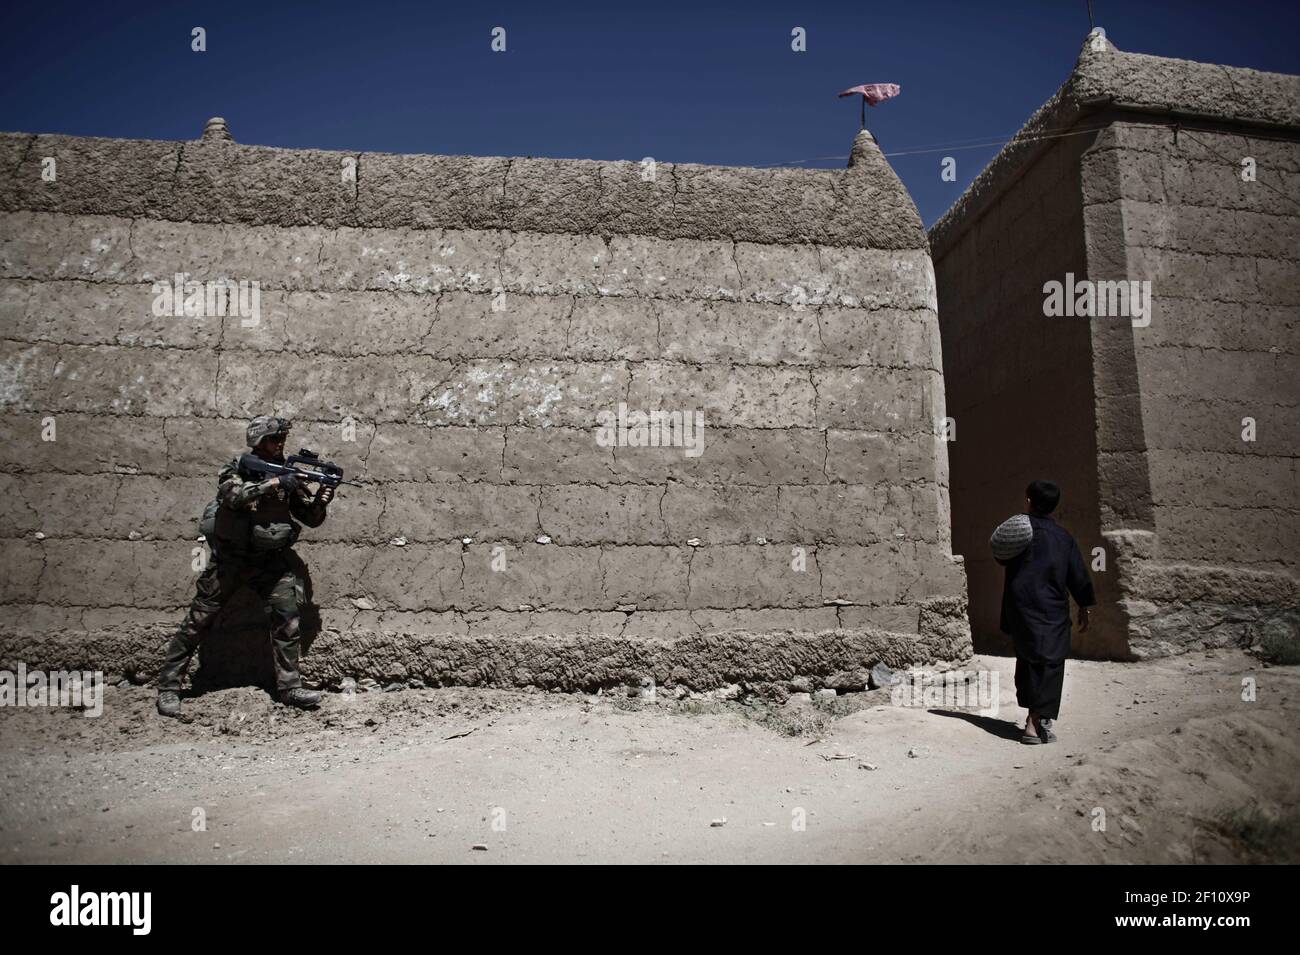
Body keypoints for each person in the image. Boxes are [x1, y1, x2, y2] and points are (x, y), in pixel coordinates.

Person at [157, 416, 335, 717]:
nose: (280, 444)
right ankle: (169, 688)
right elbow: (234, 497)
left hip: (269, 563)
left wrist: (321, 500)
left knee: (287, 618)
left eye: (282, 439)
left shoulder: (287, 475)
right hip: (231, 560)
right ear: (259, 442)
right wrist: (276, 483)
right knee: (199, 620)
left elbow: (310, 519)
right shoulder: (237, 469)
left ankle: (290, 687)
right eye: (274, 439)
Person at [994, 480, 1095, 745]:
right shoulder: (1064, 538)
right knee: (1050, 663)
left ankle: (1036, 716)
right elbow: (1077, 575)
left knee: (1028, 659)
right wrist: (1084, 604)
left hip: (1021, 609)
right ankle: (1033, 723)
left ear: (1028, 501)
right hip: (1051, 611)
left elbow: (1000, 555)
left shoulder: (1019, 532)